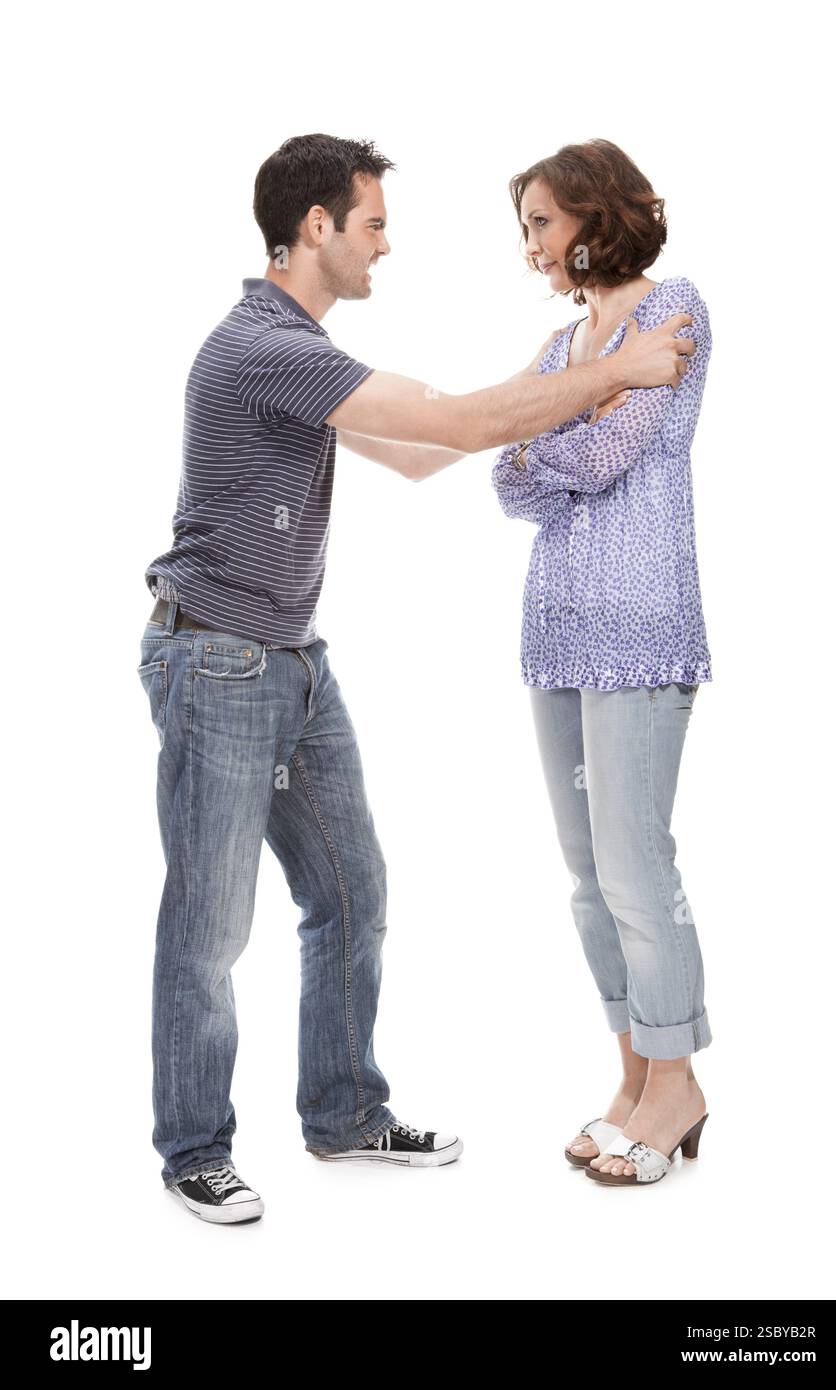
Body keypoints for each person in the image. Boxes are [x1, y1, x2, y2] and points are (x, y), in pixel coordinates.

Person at [138, 132, 695, 1223]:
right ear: (316, 228)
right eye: (373, 223)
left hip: (291, 659)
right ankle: (193, 1147)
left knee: (353, 893)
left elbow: (422, 449)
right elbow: (452, 424)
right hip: (216, 657)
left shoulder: (301, 354)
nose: (385, 245)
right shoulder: (263, 345)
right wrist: (612, 372)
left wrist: (541, 401)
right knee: (209, 925)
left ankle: (344, 1112)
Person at [491, 139, 713, 1187]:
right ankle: (633, 1077)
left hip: (640, 624)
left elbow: (600, 453)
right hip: (556, 631)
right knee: (587, 881)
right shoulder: (558, 345)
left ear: (590, 214)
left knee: (634, 866)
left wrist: (554, 435)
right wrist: (564, 425)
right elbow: (510, 481)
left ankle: (676, 1084)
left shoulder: (674, 308)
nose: (529, 243)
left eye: (539, 221)